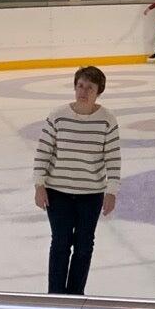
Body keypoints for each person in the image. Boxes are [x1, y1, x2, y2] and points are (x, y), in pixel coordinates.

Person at [32, 65, 121, 294]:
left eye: (89, 87)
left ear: (98, 91)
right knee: (60, 244)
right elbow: (43, 151)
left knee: (83, 246)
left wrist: (111, 191)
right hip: (57, 193)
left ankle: (75, 296)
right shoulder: (58, 116)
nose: (83, 91)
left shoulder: (107, 121)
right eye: (80, 86)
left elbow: (113, 158)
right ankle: (55, 297)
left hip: (90, 195)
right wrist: (39, 185)